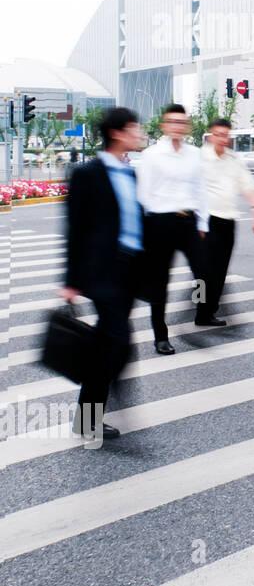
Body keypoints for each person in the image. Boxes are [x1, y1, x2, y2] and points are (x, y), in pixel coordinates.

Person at [59, 107, 147, 442]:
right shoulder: (87, 174)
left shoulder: (131, 173)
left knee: (107, 344)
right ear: (117, 133)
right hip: (102, 272)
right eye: (134, 129)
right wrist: (70, 280)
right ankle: (99, 407)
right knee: (117, 340)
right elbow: (74, 228)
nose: (139, 134)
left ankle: (87, 415)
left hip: (129, 270)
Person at [135, 103, 210, 355]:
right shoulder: (151, 155)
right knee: (160, 282)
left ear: (187, 126)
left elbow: (201, 190)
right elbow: (143, 194)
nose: (178, 126)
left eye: (182, 122)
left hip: (188, 221)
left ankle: (198, 311)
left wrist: (202, 223)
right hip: (160, 223)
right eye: (173, 122)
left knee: (202, 271)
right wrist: (146, 230)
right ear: (164, 126)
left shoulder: (195, 154)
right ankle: (160, 335)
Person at [199, 119, 254, 326]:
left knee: (219, 271)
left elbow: (247, 186)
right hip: (206, 221)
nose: (223, 139)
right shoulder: (199, 158)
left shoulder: (234, 159)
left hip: (228, 221)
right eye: (218, 134)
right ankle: (200, 310)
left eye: (226, 134)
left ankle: (209, 312)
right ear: (210, 135)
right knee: (204, 273)